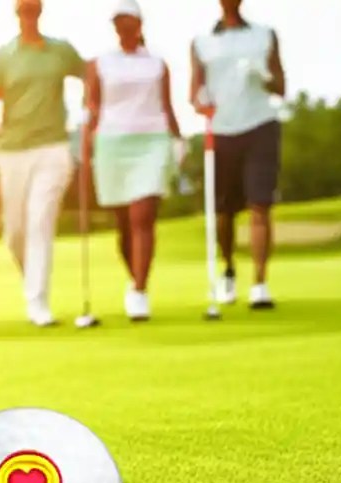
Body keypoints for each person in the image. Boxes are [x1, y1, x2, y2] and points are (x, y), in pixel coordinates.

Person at [0, 0, 87, 328]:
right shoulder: (2, 57)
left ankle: (38, 302)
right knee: (14, 233)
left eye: (33, 7)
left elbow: (91, 76)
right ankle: (34, 284)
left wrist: (89, 109)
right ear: (16, 13)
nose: (28, 13)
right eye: (23, 8)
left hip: (53, 147)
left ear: (40, 11)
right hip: (12, 150)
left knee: (40, 220)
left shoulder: (60, 51)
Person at [83, 0, 183, 322]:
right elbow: (93, 107)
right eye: (117, 23)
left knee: (143, 215)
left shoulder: (157, 63)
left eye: (127, 22)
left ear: (139, 25)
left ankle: (140, 290)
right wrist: (85, 142)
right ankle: (134, 278)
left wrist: (178, 141)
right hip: (112, 143)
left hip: (151, 141)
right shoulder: (100, 63)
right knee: (124, 225)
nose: (122, 27)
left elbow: (167, 106)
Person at [190, 0, 286, 310]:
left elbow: (281, 86)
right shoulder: (202, 43)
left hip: (260, 125)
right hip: (220, 130)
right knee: (224, 211)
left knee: (260, 204)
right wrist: (200, 101)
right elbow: (195, 91)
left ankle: (260, 283)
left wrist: (264, 77)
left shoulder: (264, 35)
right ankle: (228, 270)